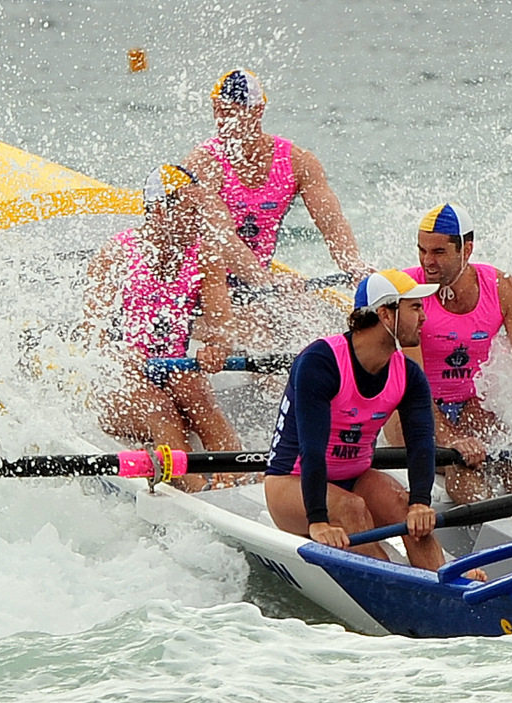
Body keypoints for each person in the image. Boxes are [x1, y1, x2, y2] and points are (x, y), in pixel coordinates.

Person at [263, 269, 454, 570]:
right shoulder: (321, 362)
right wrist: (318, 520)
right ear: (386, 314)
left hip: (356, 478)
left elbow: (421, 446)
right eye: (415, 307)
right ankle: (399, 590)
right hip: (293, 483)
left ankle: (447, 582)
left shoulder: (409, 375)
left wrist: (420, 502)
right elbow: (312, 449)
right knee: (352, 509)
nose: (424, 317)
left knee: (404, 508)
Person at [82, 164, 253, 491]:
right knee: (160, 408)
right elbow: (93, 335)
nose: (198, 219)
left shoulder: (204, 256)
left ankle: (242, 479)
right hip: (118, 383)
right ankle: (193, 488)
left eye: (199, 210)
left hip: (172, 370)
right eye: (190, 211)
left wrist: (217, 348)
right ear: (160, 211)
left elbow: (221, 324)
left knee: (196, 391)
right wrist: (117, 359)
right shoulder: (116, 255)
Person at [399, 203, 512, 503]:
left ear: (466, 250)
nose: (428, 262)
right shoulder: (408, 292)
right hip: (413, 409)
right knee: (465, 476)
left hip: (471, 406)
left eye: (439, 252)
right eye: (422, 251)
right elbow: (411, 386)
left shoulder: (503, 289)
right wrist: (451, 439)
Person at [184, 69, 373, 292]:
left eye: (231, 113)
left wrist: (352, 264)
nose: (221, 122)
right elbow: (219, 235)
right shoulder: (204, 164)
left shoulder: (298, 162)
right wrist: (264, 281)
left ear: (257, 111)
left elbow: (332, 223)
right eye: (218, 111)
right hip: (203, 279)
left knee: (309, 315)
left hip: (257, 278)